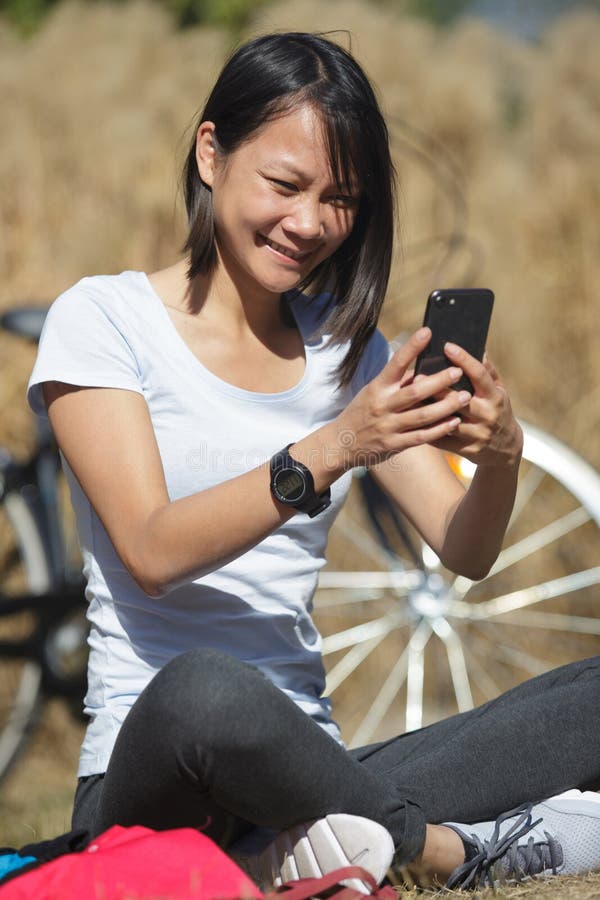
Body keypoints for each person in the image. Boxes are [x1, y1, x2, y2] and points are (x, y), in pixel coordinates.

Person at [27, 31, 600, 892]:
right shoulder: (104, 322)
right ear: (211, 152)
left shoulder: (344, 351)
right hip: (159, 776)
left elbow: (466, 552)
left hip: (318, 772)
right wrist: (334, 447)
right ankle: (441, 849)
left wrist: (502, 457)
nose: (309, 224)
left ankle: (318, 844)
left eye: (341, 199)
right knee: (205, 692)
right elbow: (151, 552)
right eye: (286, 185)